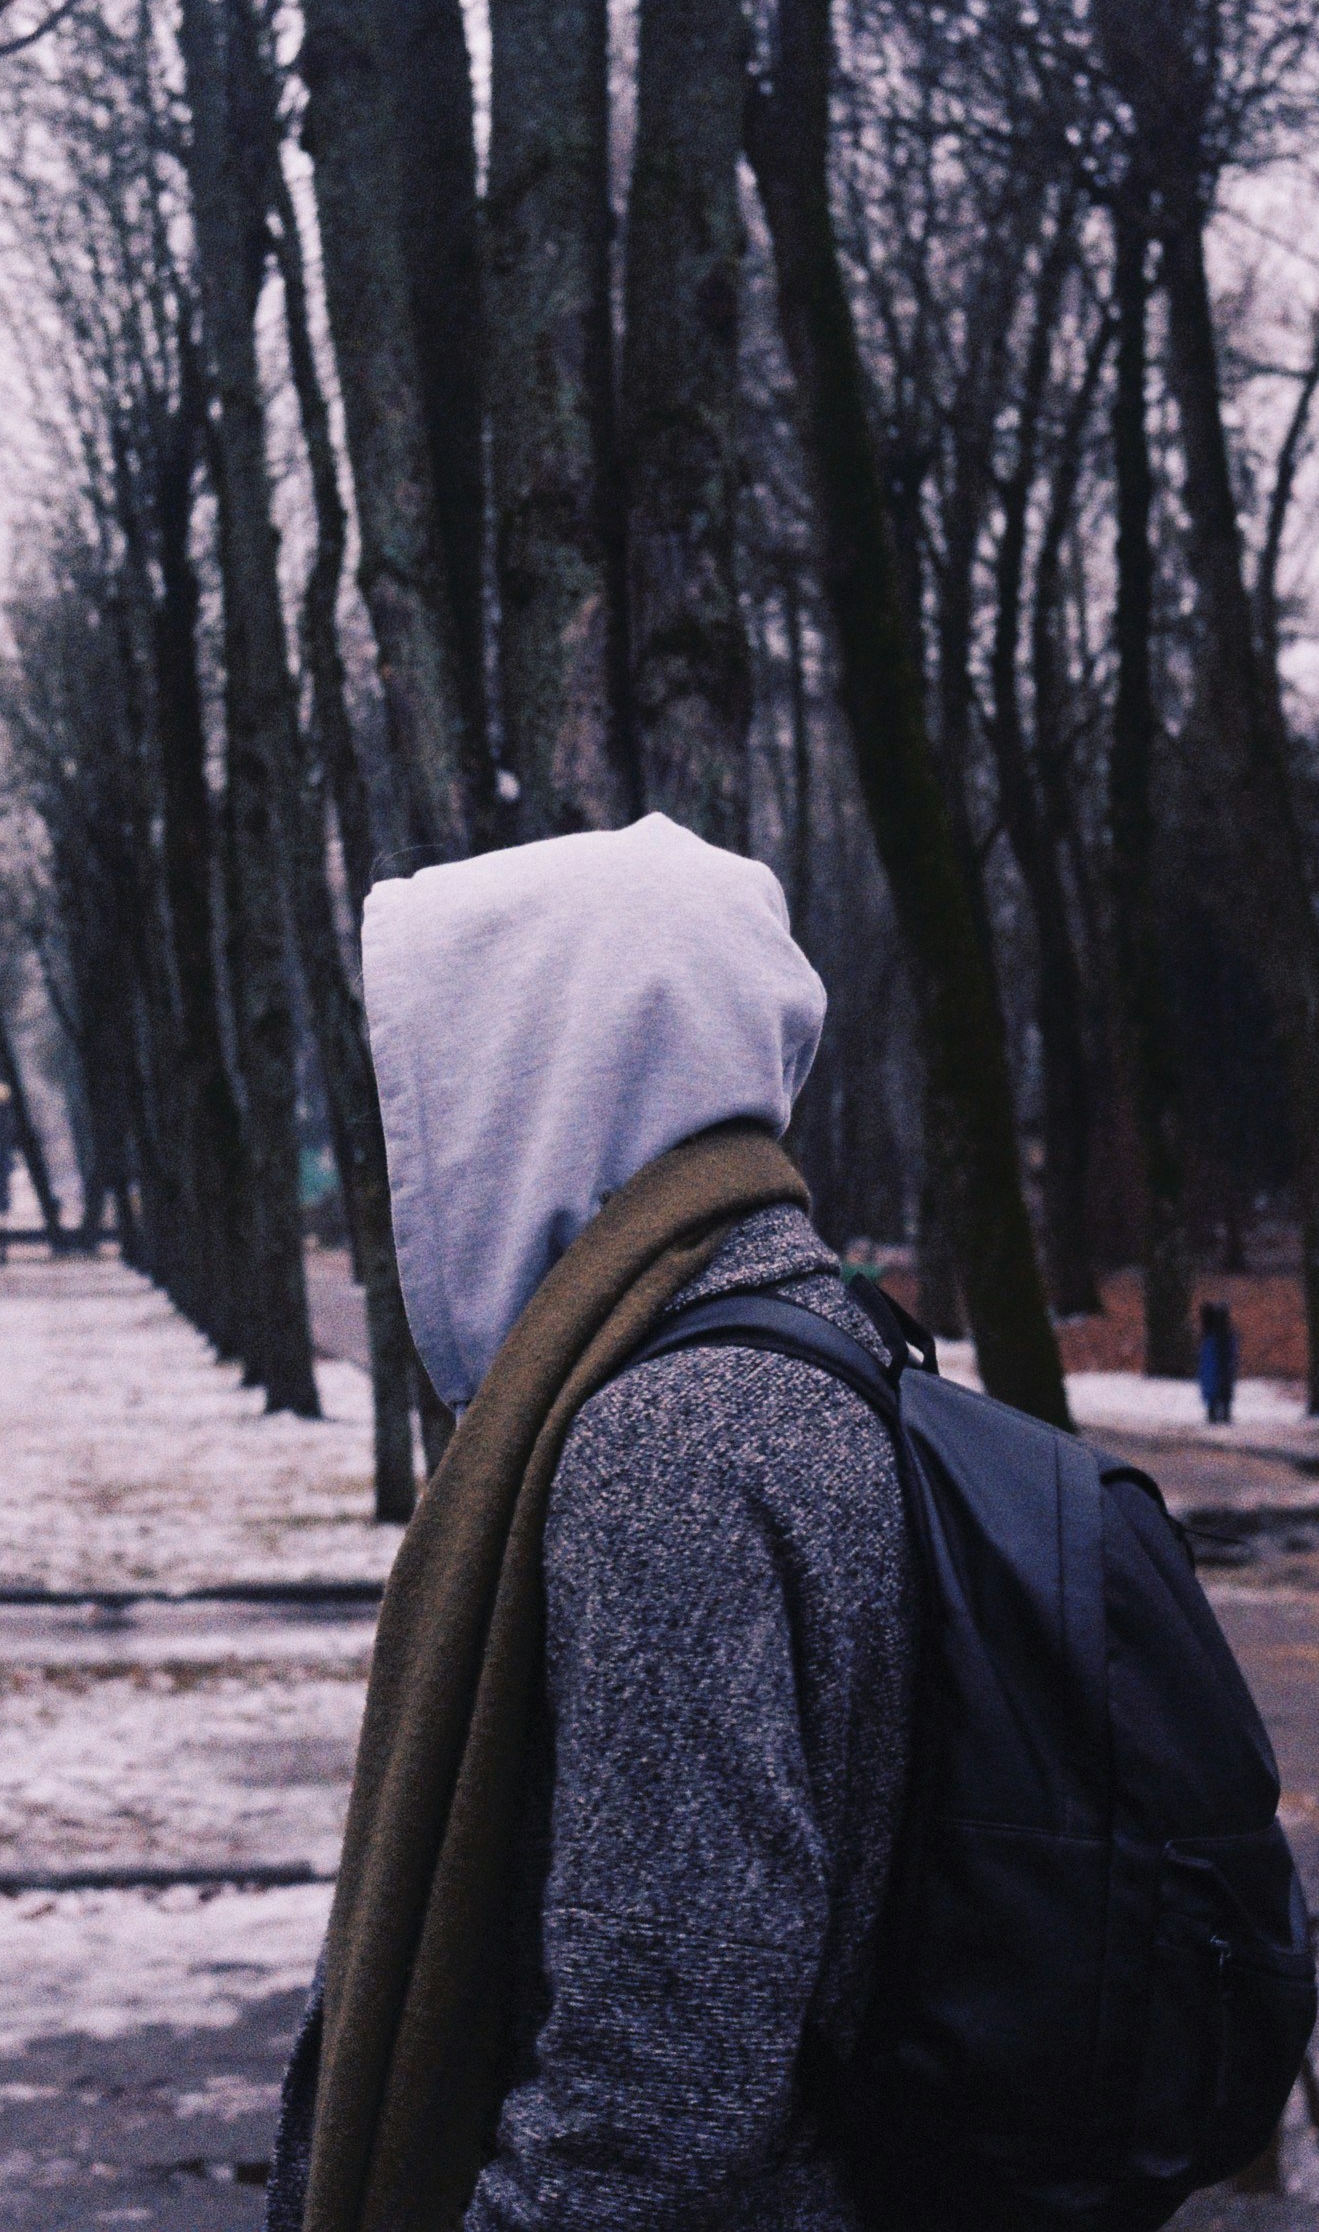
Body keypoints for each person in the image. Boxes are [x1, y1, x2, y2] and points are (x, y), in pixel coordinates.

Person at [269, 814, 906, 2232]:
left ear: (555, 1080)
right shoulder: (805, 1340)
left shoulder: (668, 1447)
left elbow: (663, 2071)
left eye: (451, 1089)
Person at [1198, 1298, 1239, 1427]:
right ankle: (1224, 1413)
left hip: (1212, 1362)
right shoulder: (1227, 1334)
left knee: (1213, 1386)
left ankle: (1214, 1413)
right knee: (1224, 1387)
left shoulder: (1208, 1335)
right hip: (1222, 1362)